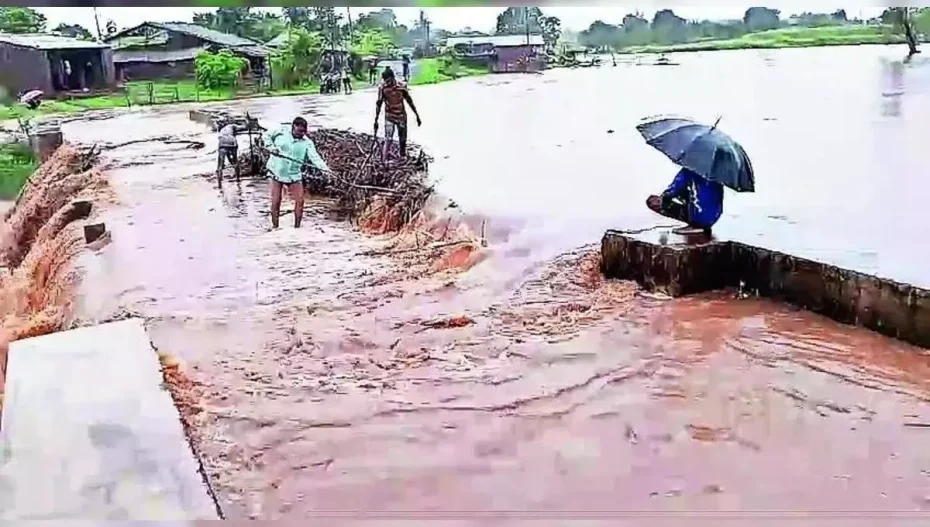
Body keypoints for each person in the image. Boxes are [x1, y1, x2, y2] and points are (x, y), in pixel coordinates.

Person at [262, 117, 332, 229]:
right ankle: (275, 227)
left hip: (293, 174)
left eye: (304, 131)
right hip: (276, 171)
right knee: (276, 201)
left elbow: (315, 158)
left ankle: (297, 228)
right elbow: (266, 136)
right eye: (299, 131)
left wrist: (326, 170)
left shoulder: (307, 142)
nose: (302, 134)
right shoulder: (281, 131)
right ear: (293, 127)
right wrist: (271, 147)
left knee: (300, 201)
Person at [646, 167, 724, 236]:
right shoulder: (718, 172)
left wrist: (664, 197)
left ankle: (696, 225)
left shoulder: (690, 169)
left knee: (653, 202)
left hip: (698, 216)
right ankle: (701, 223)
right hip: (714, 215)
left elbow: (676, 186)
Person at [374, 67, 422, 160]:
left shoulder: (401, 87)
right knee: (388, 138)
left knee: (402, 139)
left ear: (393, 78)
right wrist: (376, 120)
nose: (387, 83)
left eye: (389, 81)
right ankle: (385, 159)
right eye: (385, 81)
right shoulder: (383, 88)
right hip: (389, 116)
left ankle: (402, 156)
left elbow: (409, 101)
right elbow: (379, 104)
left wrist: (417, 115)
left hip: (401, 116)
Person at [216, 119, 247, 187]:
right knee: (235, 161)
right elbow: (244, 127)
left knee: (220, 164)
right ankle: (238, 178)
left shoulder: (221, 130)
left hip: (222, 143)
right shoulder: (231, 126)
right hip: (232, 142)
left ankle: (219, 181)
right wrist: (246, 122)